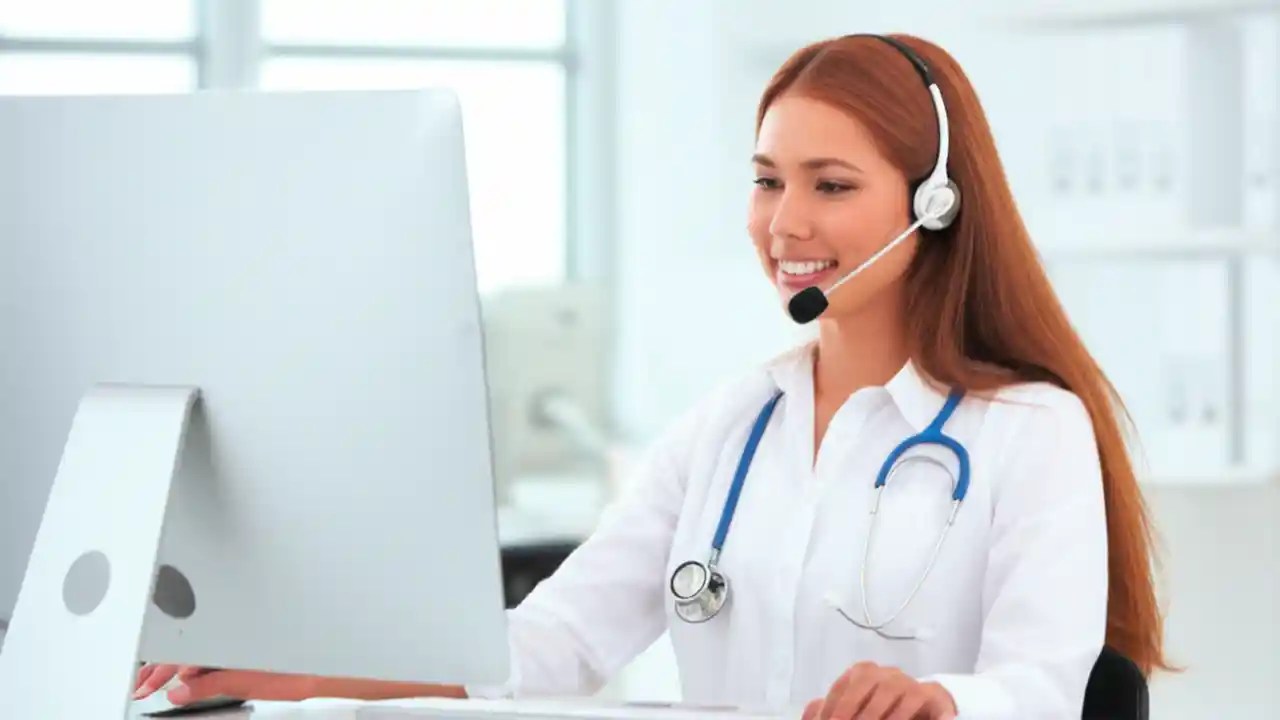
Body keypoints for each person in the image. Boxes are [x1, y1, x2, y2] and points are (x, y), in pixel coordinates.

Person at [135, 33, 1169, 719]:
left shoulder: (1025, 429)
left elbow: (1044, 684)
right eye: (765, 181)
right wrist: (312, 669)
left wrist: (939, 701)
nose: (785, 222)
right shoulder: (733, 425)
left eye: (831, 184)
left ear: (932, 205)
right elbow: (551, 643)